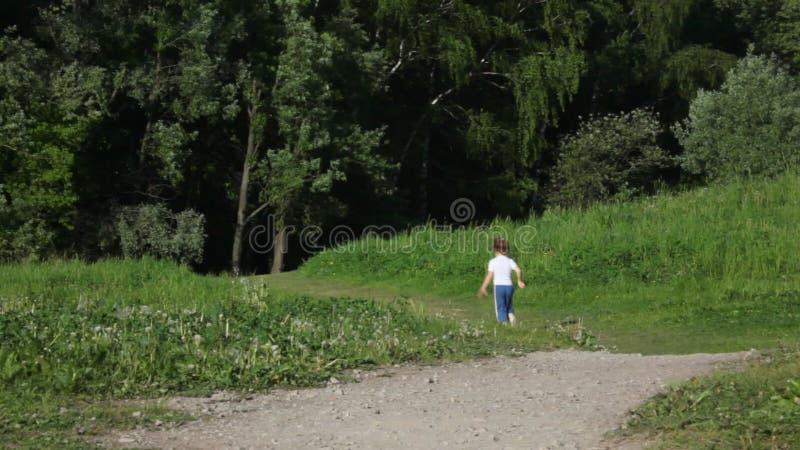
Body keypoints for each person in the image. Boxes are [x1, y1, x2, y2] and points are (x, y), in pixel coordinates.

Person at [477, 238, 525, 324]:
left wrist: (484, 287)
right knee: (508, 304)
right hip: (509, 287)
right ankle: (511, 315)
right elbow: (519, 270)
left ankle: (504, 324)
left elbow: (489, 276)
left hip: (499, 287)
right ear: (507, 250)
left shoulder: (493, 262)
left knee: (501, 306)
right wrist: (519, 281)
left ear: (495, 249)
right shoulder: (510, 261)